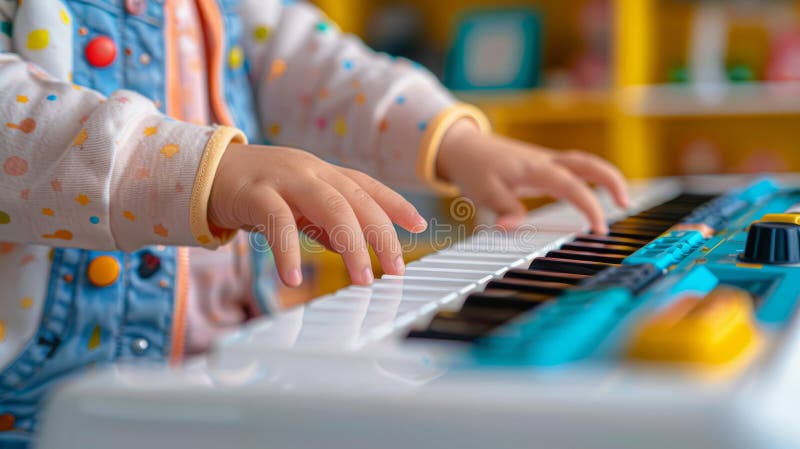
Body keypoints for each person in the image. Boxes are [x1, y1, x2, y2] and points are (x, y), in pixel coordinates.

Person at [0, 0, 628, 443]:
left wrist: (454, 142)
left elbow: (320, 69)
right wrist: (202, 173)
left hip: (233, 373)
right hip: (41, 413)